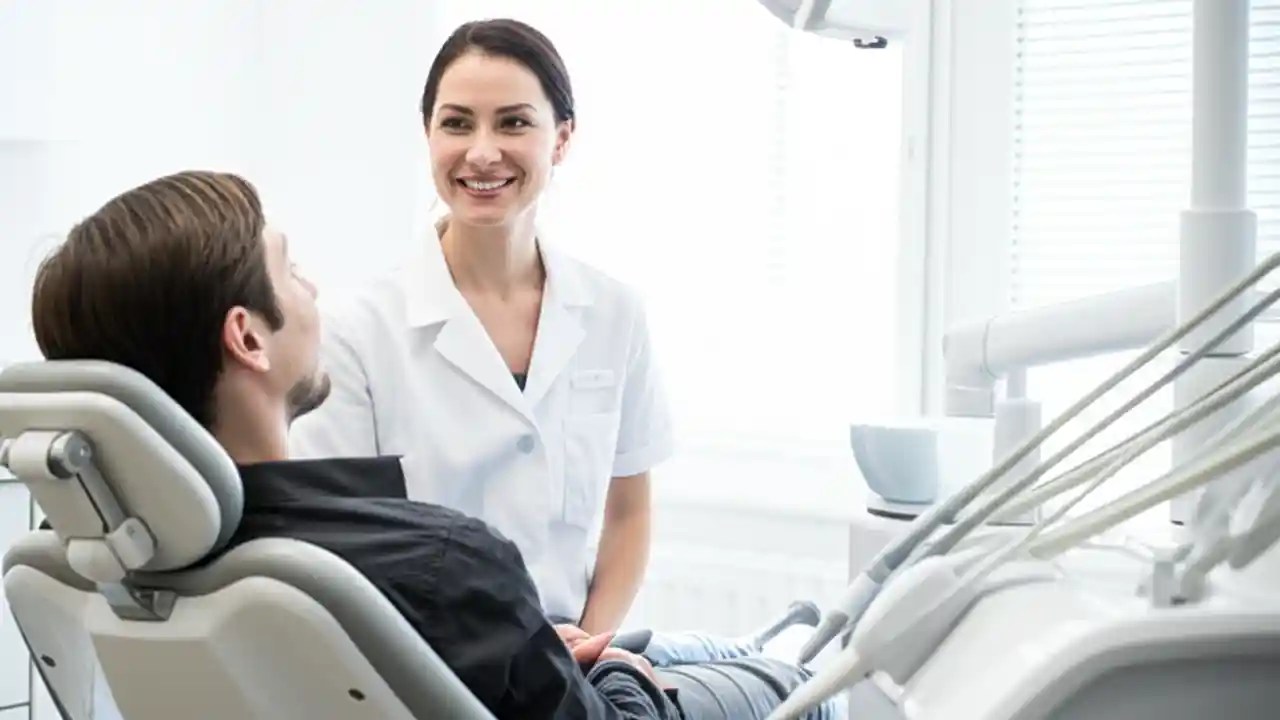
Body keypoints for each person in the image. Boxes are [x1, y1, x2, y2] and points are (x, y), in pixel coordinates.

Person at [27, 170, 839, 719]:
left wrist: (527, 642)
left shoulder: (126, 570)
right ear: (247, 337)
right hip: (603, 692)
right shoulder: (438, 560)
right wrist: (615, 672)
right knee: (821, 677)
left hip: (517, 649)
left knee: (713, 643)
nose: (312, 287)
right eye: (291, 266)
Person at [288, 18, 668, 633]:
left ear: (562, 138)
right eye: (457, 123)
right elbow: (341, 550)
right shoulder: (356, 331)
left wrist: (585, 651)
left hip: (576, 660)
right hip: (425, 669)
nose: (482, 151)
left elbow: (628, 514)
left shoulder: (614, 312)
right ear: (428, 135)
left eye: (514, 122)